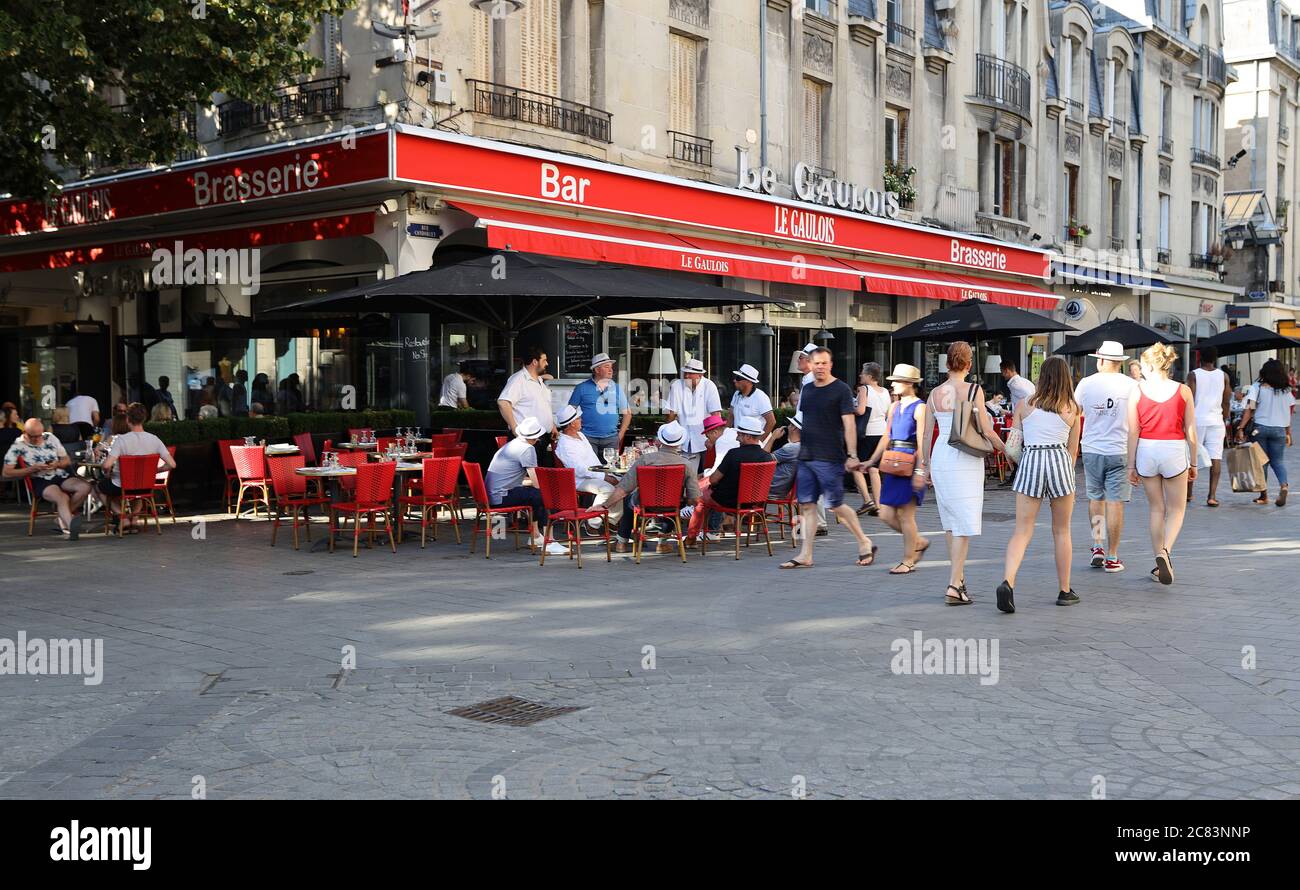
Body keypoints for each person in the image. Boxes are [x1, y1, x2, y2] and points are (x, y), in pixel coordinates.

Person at [997, 356, 1082, 612]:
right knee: (1061, 530)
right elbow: (1073, 451)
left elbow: (1012, 447)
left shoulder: (1024, 404)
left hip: (1032, 459)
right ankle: (1064, 590)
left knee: (1022, 530)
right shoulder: (1072, 408)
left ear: (1041, 377)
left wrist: (1018, 464)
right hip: (1059, 459)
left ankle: (1008, 582)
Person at [780, 347, 876, 570]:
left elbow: (849, 424)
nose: (820, 367)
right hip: (807, 455)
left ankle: (864, 541)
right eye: (816, 363)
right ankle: (806, 554)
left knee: (836, 505)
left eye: (824, 363)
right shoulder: (808, 389)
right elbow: (804, 420)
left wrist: (852, 454)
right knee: (806, 505)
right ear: (810, 365)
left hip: (830, 456)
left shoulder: (840, 389)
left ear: (830, 365)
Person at [919, 343, 1000, 605]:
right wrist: (1008, 450)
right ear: (968, 364)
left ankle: (959, 578)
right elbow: (986, 430)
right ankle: (954, 585)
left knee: (951, 523)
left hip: (941, 455)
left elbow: (926, 433)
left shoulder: (934, 393)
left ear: (946, 364)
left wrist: (927, 465)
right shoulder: (973, 390)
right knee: (963, 523)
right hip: (964, 457)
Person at [1126, 343, 1197, 585]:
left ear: (1148, 365)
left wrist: (1130, 465)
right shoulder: (1183, 391)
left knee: (1157, 509)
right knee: (1177, 510)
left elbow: (1133, 432)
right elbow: (1191, 432)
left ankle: (1159, 560)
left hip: (1146, 449)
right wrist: (1195, 462)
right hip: (1174, 449)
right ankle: (1164, 552)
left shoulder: (1137, 391)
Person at [1074, 340, 1138, 573]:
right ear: (1120, 363)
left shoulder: (1086, 383)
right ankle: (1112, 555)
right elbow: (1136, 421)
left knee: (1095, 499)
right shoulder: (1131, 385)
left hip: (1091, 449)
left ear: (1100, 360)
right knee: (1115, 503)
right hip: (1119, 450)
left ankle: (1097, 545)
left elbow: (1075, 412)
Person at [864, 364, 928, 574]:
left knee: (905, 516)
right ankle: (917, 541)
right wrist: (871, 460)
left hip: (910, 464)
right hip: (893, 464)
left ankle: (909, 560)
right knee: (885, 514)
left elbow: (922, 442)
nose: (892, 385)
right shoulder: (894, 406)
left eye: (897, 381)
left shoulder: (920, 408)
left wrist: (921, 471)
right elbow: (887, 436)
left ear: (910, 384)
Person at [602, 421, 702, 554]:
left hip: (644, 504)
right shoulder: (686, 464)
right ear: (679, 443)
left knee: (629, 499)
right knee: (676, 502)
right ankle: (662, 543)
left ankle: (621, 542)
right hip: (672, 505)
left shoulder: (645, 459)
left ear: (660, 441)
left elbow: (623, 489)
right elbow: (695, 497)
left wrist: (604, 506)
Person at [484, 417, 568, 556]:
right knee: (544, 496)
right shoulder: (527, 449)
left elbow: (520, 479)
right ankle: (550, 542)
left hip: (493, 495)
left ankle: (535, 536)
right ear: (536, 437)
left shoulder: (512, 444)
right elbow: (536, 482)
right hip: (501, 496)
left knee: (534, 495)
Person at [686, 415, 775, 544]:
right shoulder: (768, 457)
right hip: (757, 503)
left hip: (729, 501)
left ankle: (692, 538)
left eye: (739, 435)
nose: (737, 438)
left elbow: (714, 479)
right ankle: (711, 531)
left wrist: (706, 479)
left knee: (700, 498)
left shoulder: (733, 454)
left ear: (747, 436)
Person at [3, 417, 94, 540]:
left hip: (60, 473)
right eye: (34, 436)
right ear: (25, 434)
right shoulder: (18, 445)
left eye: (40, 435)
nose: (38, 439)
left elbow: (66, 460)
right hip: (39, 479)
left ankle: (62, 517)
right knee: (62, 497)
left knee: (85, 487)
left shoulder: (50, 437)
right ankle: (71, 527)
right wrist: (31, 469)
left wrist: (57, 464)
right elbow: (6, 472)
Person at [98, 403, 176, 532]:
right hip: (145, 486)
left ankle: (121, 516)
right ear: (144, 419)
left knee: (98, 488)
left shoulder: (121, 440)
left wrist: (106, 470)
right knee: (138, 489)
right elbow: (172, 464)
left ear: (128, 419)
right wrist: (155, 470)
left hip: (121, 485)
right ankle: (134, 518)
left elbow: (106, 465)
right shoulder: (154, 439)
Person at [1237, 358, 1296, 506]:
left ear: (1264, 372)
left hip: (1260, 429)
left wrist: (1241, 428)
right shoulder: (1286, 390)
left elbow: (1249, 409)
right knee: (1278, 461)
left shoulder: (1257, 387)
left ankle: (1263, 495)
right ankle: (1284, 485)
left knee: (1261, 462)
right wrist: (1288, 433)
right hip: (1280, 430)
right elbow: (1288, 412)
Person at [553, 404, 623, 529]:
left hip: (593, 475)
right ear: (571, 424)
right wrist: (603, 477)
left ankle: (611, 521)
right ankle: (592, 523)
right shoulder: (565, 444)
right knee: (607, 489)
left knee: (623, 485)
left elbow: (592, 460)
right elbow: (579, 470)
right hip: (579, 480)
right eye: (578, 418)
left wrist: (606, 473)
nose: (581, 420)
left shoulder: (581, 435)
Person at [1187, 345, 1230, 507]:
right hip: (1216, 420)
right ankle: (1212, 496)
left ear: (1200, 358)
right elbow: (1226, 400)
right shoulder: (1224, 376)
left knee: (1192, 457)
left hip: (1197, 420)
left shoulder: (1194, 375)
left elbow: (1188, 399)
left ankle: (1189, 492)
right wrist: (1224, 418)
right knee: (1216, 457)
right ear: (1215, 359)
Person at [665, 358, 723, 476]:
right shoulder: (677, 385)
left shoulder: (709, 386)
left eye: (690, 373)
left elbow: (716, 415)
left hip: (706, 439)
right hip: (684, 440)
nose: (686, 375)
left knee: (706, 475)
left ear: (700, 375)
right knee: (687, 476)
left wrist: (714, 439)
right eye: (685, 372)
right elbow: (671, 413)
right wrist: (667, 435)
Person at [498, 345, 556, 464]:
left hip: (543, 436)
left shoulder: (539, 380)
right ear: (535, 362)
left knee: (539, 476)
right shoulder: (518, 379)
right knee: (529, 478)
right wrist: (514, 428)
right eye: (544, 360)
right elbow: (503, 402)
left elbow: (542, 406)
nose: (547, 364)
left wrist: (552, 425)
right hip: (527, 438)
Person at [568, 352, 631, 456]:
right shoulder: (581, 388)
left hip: (611, 438)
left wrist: (621, 434)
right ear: (597, 370)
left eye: (611, 367)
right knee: (589, 470)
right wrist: (575, 432)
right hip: (587, 437)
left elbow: (627, 413)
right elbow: (570, 412)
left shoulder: (617, 388)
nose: (611, 370)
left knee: (610, 470)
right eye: (607, 367)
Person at [852, 362, 890, 516]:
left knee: (855, 466)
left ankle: (867, 500)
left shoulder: (864, 389)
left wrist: (849, 409)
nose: (860, 375)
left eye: (862, 372)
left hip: (866, 432)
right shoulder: (885, 391)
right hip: (881, 432)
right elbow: (888, 412)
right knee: (874, 469)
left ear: (869, 375)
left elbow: (860, 411)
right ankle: (878, 505)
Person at [730, 363, 776, 437]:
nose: (734, 380)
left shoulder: (761, 397)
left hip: (755, 444)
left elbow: (771, 422)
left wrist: (759, 441)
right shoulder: (736, 394)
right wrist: (725, 436)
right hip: (740, 441)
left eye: (738, 378)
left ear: (748, 381)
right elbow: (731, 415)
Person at [764, 416, 802, 501]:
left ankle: (745, 513)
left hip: (772, 490)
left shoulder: (791, 448)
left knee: (738, 484)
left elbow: (762, 460)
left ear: (794, 428)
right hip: (784, 490)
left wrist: (772, 437)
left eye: (789, 424)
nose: (788, 427)